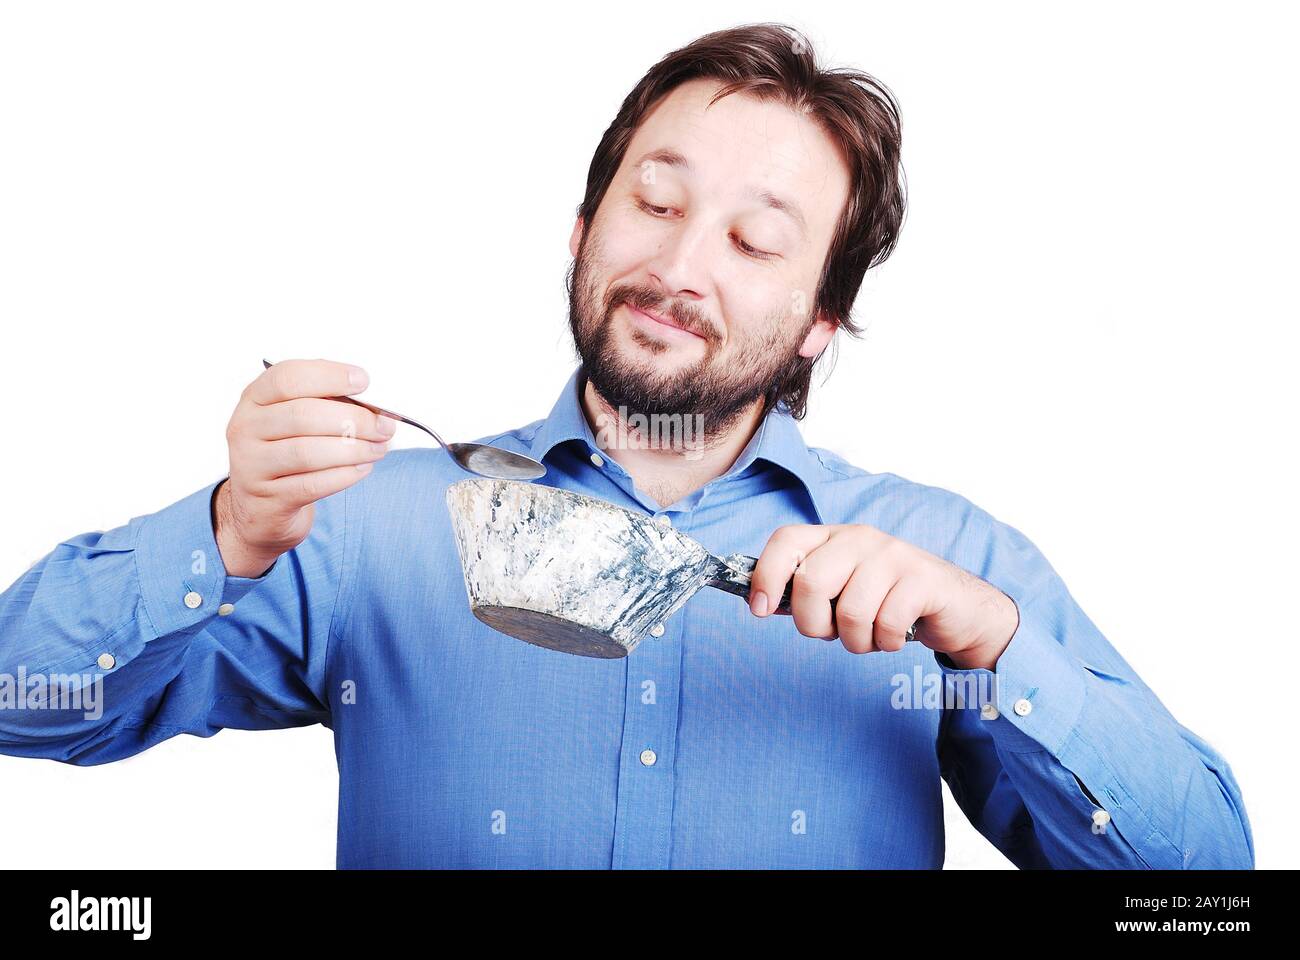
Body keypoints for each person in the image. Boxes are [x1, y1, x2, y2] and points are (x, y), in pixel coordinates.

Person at [0, 22, 1252, 869]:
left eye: (756, 243)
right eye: (654, 203)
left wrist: (994, 649)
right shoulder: (362, 520)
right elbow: (17, 702)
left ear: (823, 318)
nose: (677, 264)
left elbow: (1204, 886)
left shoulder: (945, 560)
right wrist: (221, 534)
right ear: (584, 224)